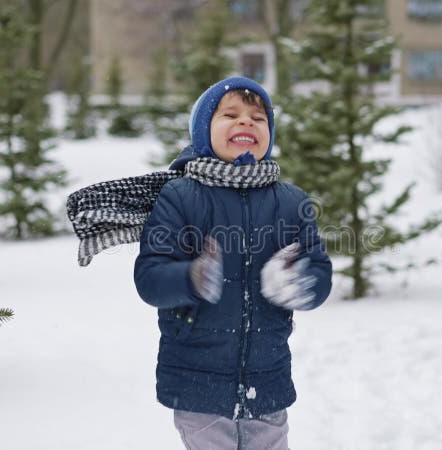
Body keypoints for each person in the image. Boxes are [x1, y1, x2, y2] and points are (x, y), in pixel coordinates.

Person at [133, 76, 332, 450]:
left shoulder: (291, 202)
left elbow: (319, 268)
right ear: (203, 132)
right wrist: (192, 278)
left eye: (258, 118)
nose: (246, 122)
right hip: (198, 380)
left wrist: (301, 281)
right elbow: (150, 277)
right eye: (230, 114)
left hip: (267, 376)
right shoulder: (180, 196)